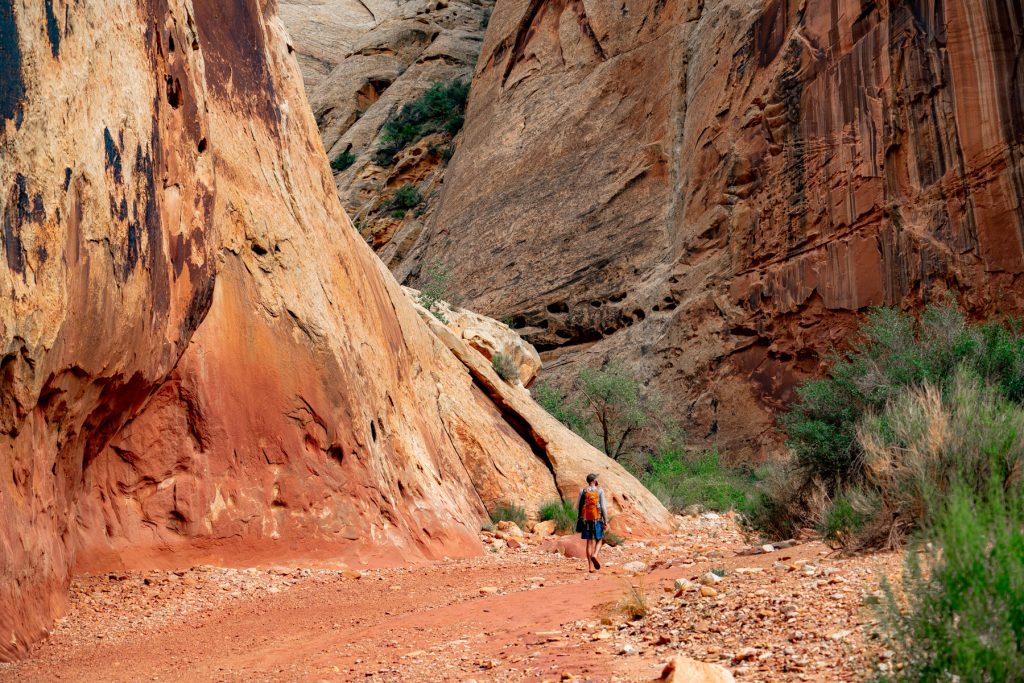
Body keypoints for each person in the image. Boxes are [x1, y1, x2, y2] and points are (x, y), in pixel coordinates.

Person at [577, 473, 608, 572]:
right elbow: (603, 507)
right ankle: (595, 555)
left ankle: (590, 567)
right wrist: (605, 521)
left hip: (586, 520)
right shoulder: (599, 491)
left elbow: (578, 506)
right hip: (597, 519)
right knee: (599, 540)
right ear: (594, 481)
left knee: (589, 542)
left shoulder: (583, 491)